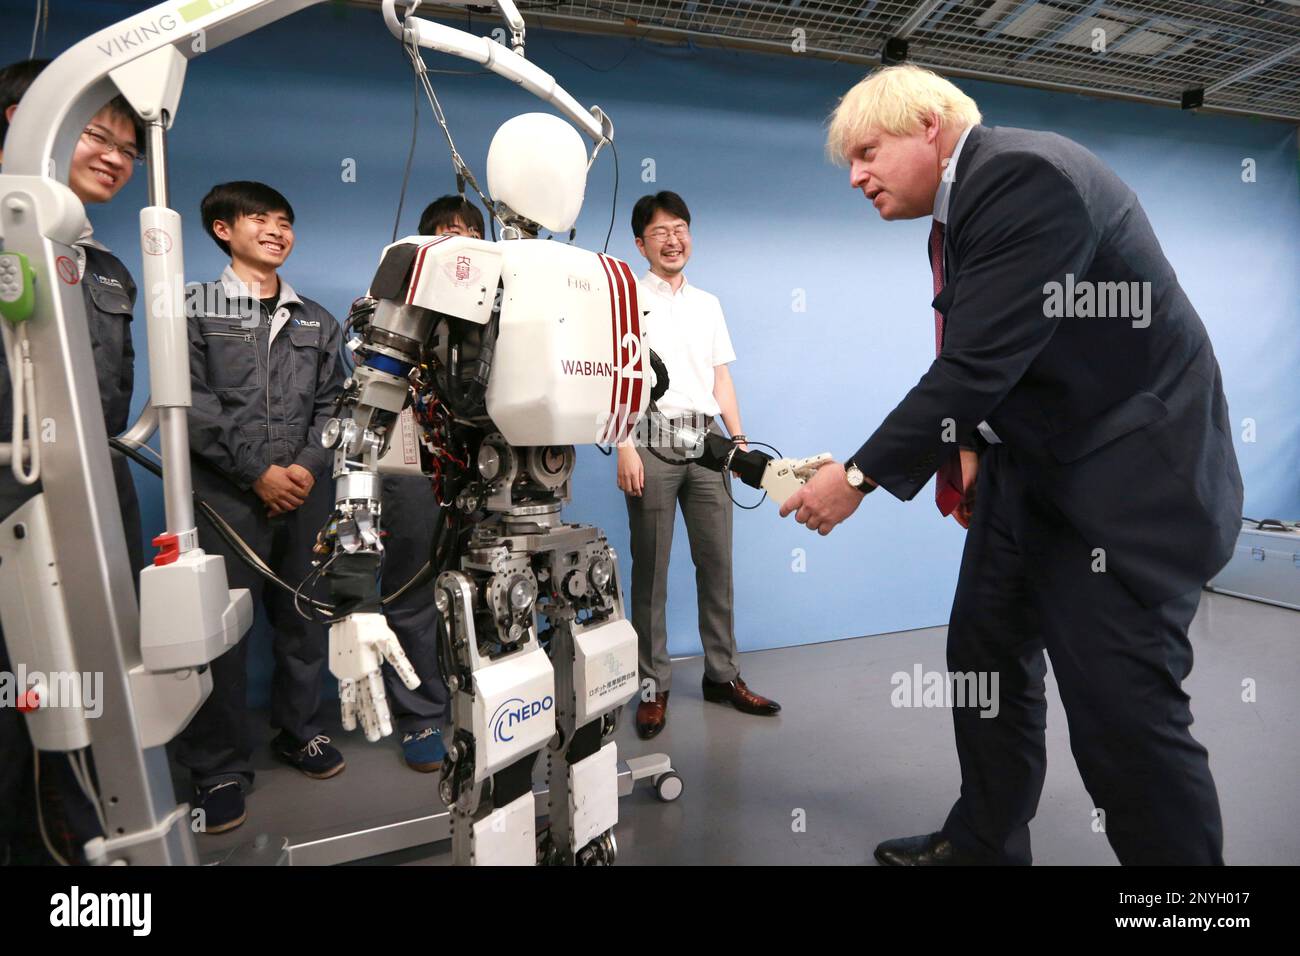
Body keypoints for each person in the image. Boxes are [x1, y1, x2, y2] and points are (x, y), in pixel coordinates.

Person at [781, 65, 1242, 865]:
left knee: (1124, 720)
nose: (855, 176)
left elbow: (972, 370)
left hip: (1127, 494)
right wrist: (956, 455)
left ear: (928, 124)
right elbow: (1006, 354)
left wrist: (855, 478)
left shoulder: (1026, 179)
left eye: (866, 151)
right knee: (983, 659)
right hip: (1033, 477)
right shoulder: (962, 209)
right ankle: (984, 843)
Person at [0, 58, 146, 863]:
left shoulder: (107, 270)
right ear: (24, 125)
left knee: (90, 688)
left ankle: (81, 827)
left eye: (128, 146)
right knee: (19, 702)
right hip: (11, 502)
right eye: (97, 134)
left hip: (95, 493)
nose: (115, 157)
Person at [175, 181, 345, 833]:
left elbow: (336, 405)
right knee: (220, 633)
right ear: (223, 230)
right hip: (226, 498)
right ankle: (218, 767)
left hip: (304, 493)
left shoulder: (317, 321)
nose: (276, 229)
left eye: (284, 221)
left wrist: (303, 467)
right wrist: (258, 473)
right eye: (259, 218)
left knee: (304, 618)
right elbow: (188, 402)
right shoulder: (195, 309)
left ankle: (299, 732)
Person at [621, 191, 781, 741]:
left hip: (708, 443)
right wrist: (622, 446)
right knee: (652, 571)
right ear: (640, 243)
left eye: (681, 227)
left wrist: (738, 445)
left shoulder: (708, 303)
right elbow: (612, 378)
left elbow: (721, 379)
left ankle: (722, 675)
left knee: (717, 566)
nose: (673, 239)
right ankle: (652, 686)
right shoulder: (624, 301)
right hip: (648, 439)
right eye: (660, 231)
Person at [378, 194, 485, 772]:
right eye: (447, 231)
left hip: (486, 471)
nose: (460, 238)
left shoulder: (501, 317)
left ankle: (486, 701)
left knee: (487, 588)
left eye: (471, 230)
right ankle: (421, 716)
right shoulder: (389, 306)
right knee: (412, 591)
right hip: (415, 470)